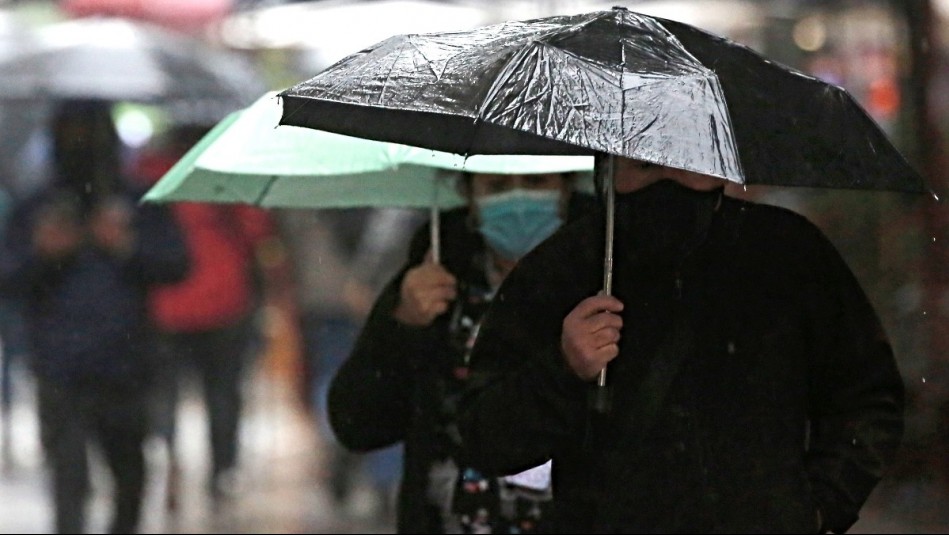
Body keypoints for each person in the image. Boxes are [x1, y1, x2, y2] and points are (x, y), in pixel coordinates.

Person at [454, 155, 906, 533]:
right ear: (608, 165)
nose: (667, 178)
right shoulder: (562, 268)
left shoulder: (787, 254)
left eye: (685, 160)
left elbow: (865, 396)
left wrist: (817, 507)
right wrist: (563, 368)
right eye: (646, 163)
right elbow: (487, 437)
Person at [326, 170, 596, 533]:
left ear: (565, 189)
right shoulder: (438, 268)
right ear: (469, 196)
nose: (518, 201)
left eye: (535, 182)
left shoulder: (604, 275)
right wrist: (402, 323)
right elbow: (356, 423)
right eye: (497, 186)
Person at [0, 100, 189, 534]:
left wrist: (125, 246)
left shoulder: (139, 202)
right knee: (68, 481)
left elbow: (176, 264)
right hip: (59, 366)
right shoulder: (36, 208)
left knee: (128, 475)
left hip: (125, 362)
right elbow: (9, 277)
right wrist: (44, 253)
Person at [129, 128, 295, 507]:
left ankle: (170, 460)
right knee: (221, 393)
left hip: (166, 303)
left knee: (166, 393)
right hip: (225, 299)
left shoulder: (148, 171)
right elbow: (257, 231)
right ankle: (222, 471)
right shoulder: (228, 168)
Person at [281, 206, 425, 522]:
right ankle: (385, 480)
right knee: (387, 386)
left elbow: (291, 242)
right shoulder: (390, 194)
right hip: (380, 299)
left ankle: (336, 437)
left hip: (324, 297)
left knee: (331, 376)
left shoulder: (310, 193)